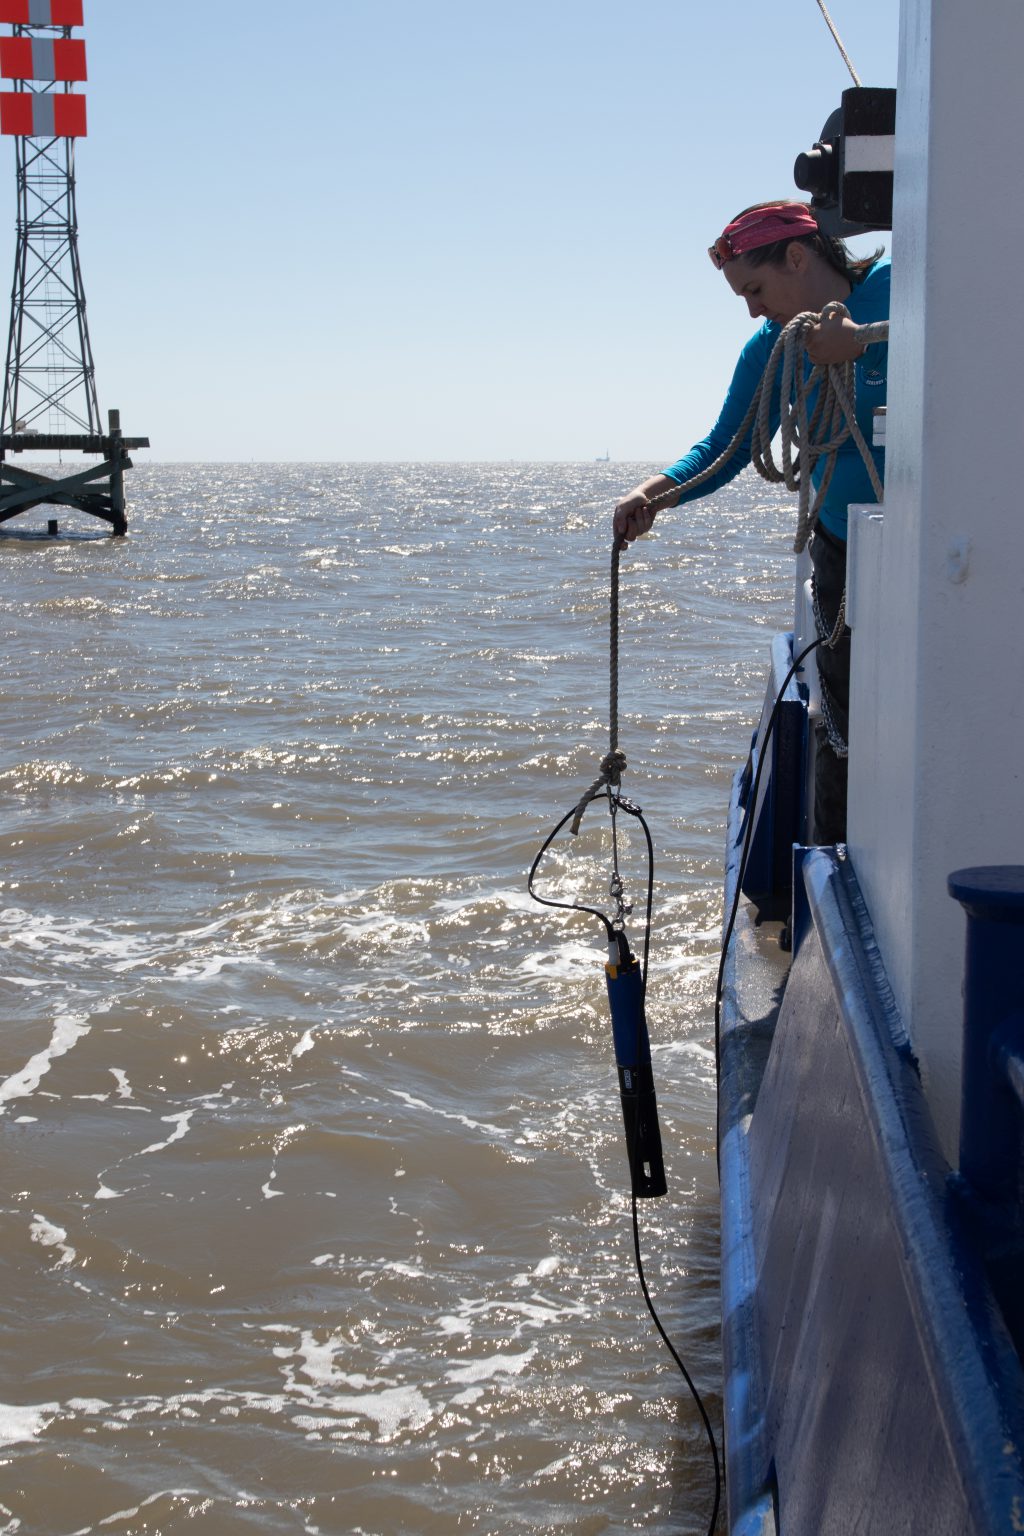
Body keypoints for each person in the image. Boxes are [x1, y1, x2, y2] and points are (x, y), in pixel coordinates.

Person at [613, 199, 889, 845]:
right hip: (842, 550)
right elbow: (728, 447)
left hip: (937, 545)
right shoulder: (773, 348)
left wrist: (867, 342)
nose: (753, 309)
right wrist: (653, 494)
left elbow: (978, 340)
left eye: (756, 289)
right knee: (840, 719)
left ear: (798, 256)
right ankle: (833, 859)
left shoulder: (906, 290)